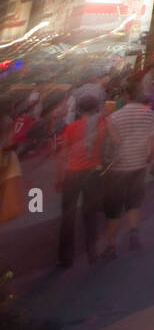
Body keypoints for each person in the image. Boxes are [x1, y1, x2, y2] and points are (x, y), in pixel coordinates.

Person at [101, 86, 154, 258]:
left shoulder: (114, 117)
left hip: (118, 168)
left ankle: (111, 245)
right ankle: (134, 232)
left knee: (114, 209)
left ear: (126, 97)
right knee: (133, 202)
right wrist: (153, 159)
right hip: (139, 165)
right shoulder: (149, 114)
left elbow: (110, 144)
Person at [56, 93, 106, 269]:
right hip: (93, 173)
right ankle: (92, 251)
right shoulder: (101, 124)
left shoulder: (70, 128)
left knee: (67, 216)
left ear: (78, 110)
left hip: (72, 173)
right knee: (90, 214)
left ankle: (65, 257)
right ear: (95, 109)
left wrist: (58, 177)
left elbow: (63, 155)